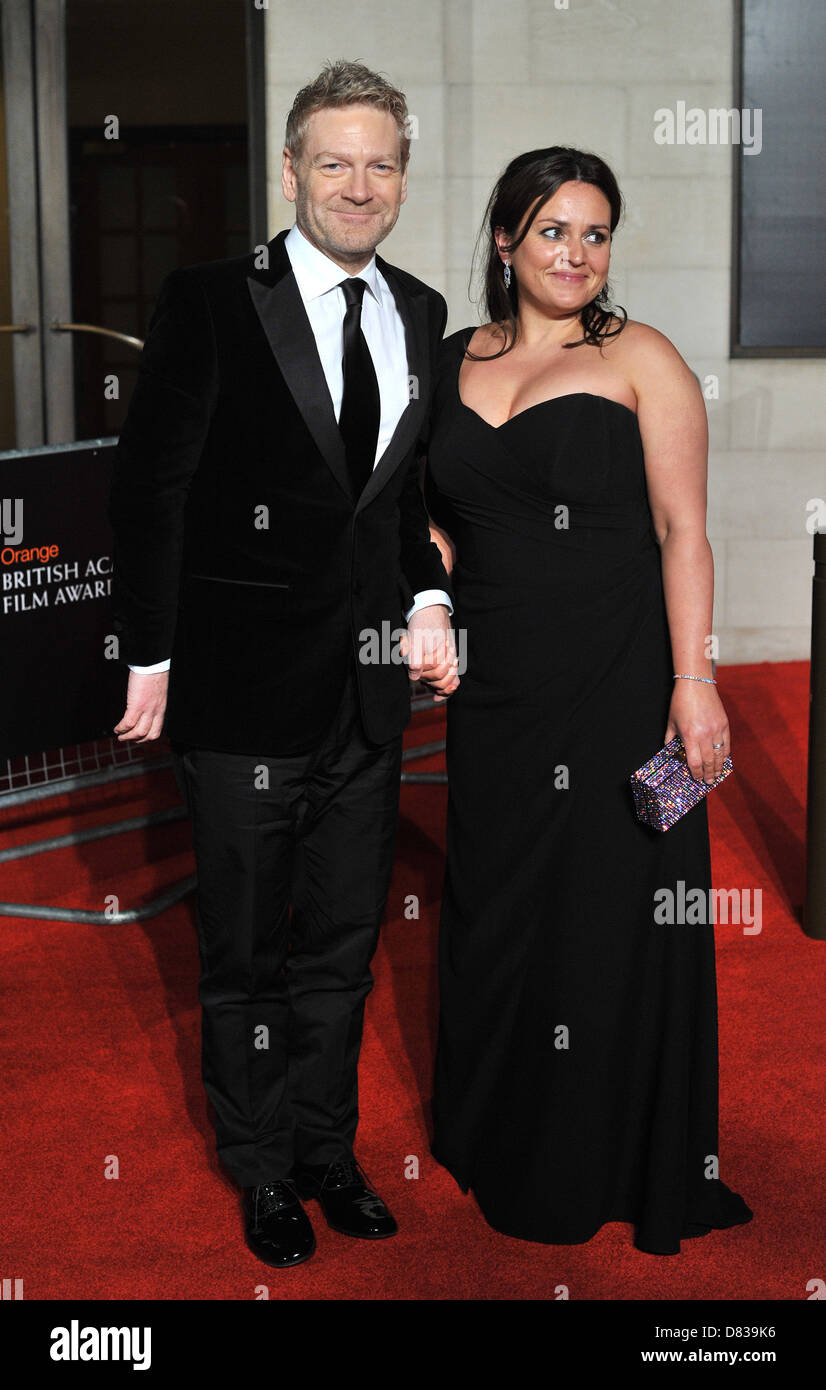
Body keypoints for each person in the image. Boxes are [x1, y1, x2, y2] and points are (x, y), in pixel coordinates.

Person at [107, 60, 459, 1269]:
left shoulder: (417, 310)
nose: (357, 186)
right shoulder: (210, 298)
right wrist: (148, 652)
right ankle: (261, 1172)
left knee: (343, 949)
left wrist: (425, 593)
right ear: (292, 169)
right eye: (334, 161)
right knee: (246, 956)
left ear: (402, 179)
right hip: (240, 694)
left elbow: (401, 498)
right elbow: (149, 490)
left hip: (366, 700)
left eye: (380, 164)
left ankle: (325, 1151)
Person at [425, 146, 753, 1256]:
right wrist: (426, 603)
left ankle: (604, 1156)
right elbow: (435, 518)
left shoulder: (642, 357)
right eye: (553, 229)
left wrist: (694, 680)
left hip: (618, 683)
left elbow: (682, 532)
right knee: (497, 908)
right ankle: (498, 1129)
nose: (576, 253)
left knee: (607, 917)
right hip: (498, 691)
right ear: (506, 238)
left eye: (596, 232)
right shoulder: (447, 359)